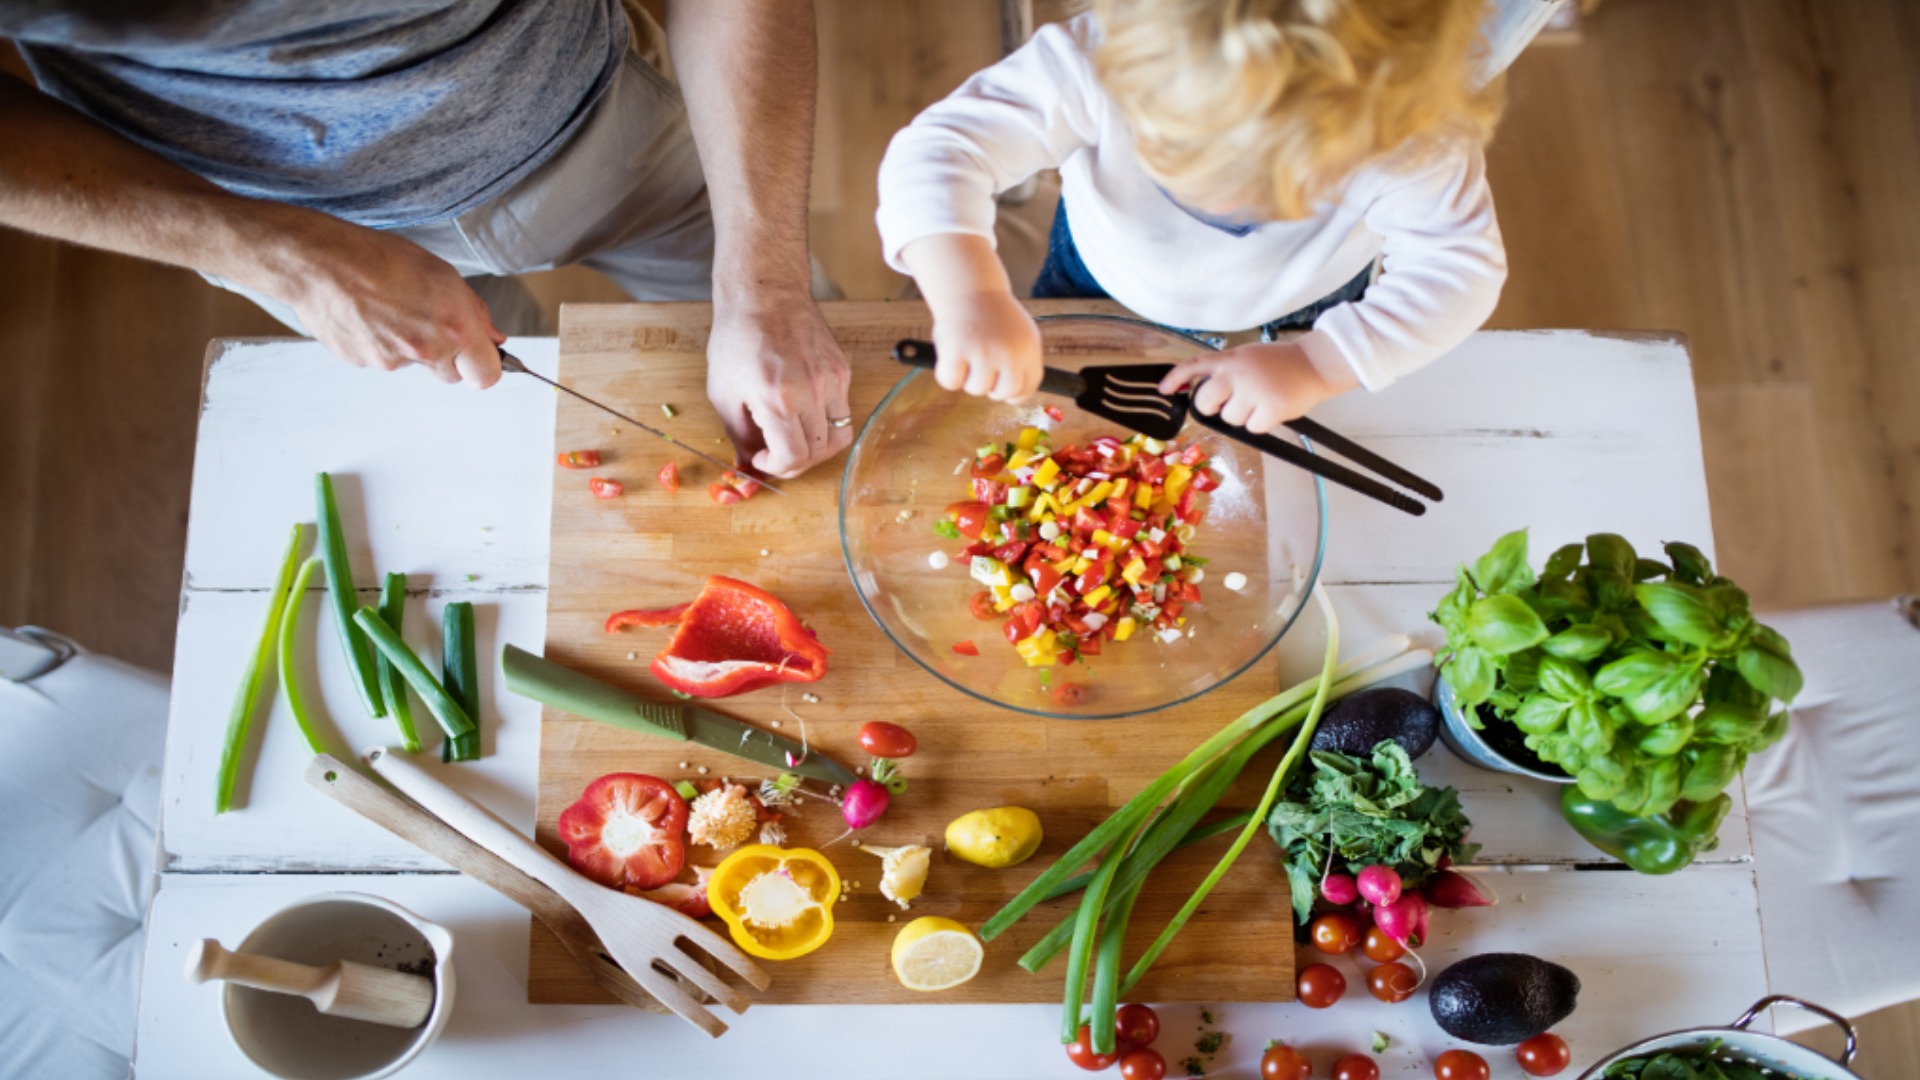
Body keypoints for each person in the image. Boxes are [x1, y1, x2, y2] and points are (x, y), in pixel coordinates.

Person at [0, 0, 851, 478]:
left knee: (821, 390)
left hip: (598, 119)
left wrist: (765, 289)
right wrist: (284, 257)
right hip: (270, 219)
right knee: (515, 470)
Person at [876, 0, 1507, 436]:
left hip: (1306, 306)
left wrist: (1320, 365)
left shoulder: (1415, 131)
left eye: (1283, 183)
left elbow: (1457, 270)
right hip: (1100, 279)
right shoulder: (1101, 59)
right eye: (1181, 152)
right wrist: (972, 296)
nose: (1228, 204)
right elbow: (943, 149)